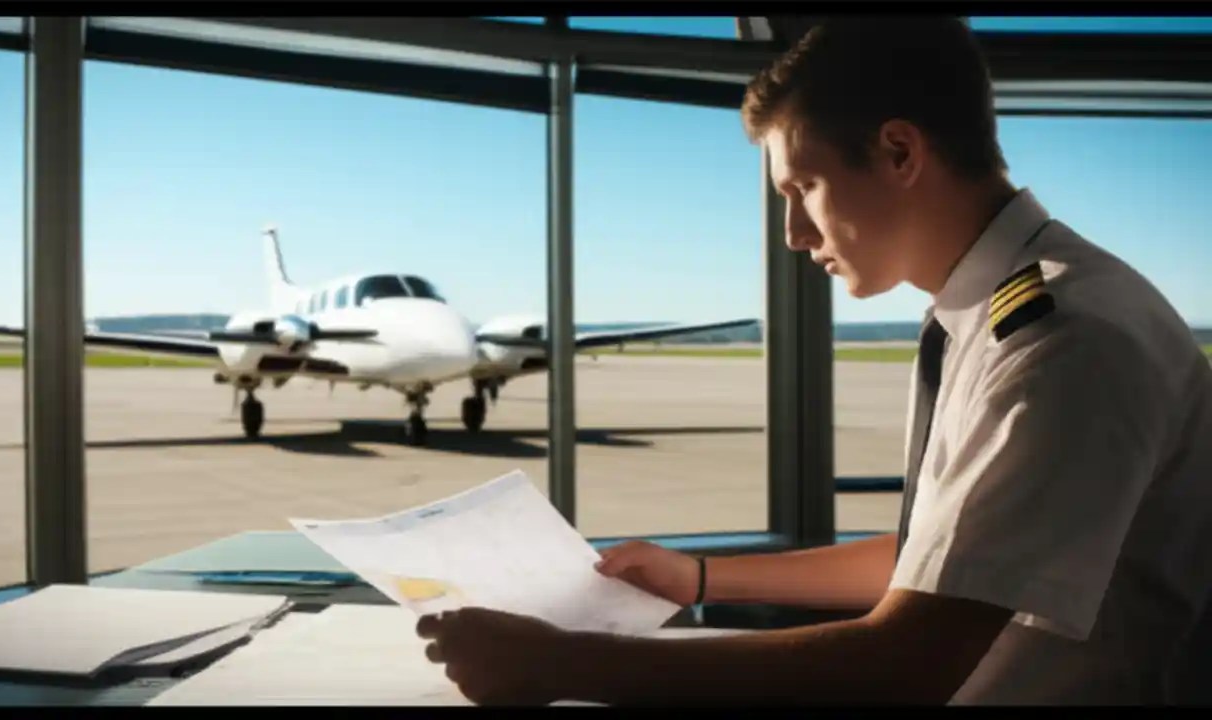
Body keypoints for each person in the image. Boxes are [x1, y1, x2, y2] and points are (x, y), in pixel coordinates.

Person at [416, 16, 1212, 705]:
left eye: (804, 187)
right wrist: (699, 578)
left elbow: (908, 661)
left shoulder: (1061, 341)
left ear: (900, 151)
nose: (793, 234)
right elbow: (939, 565)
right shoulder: (987, 317)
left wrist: (562, 662)